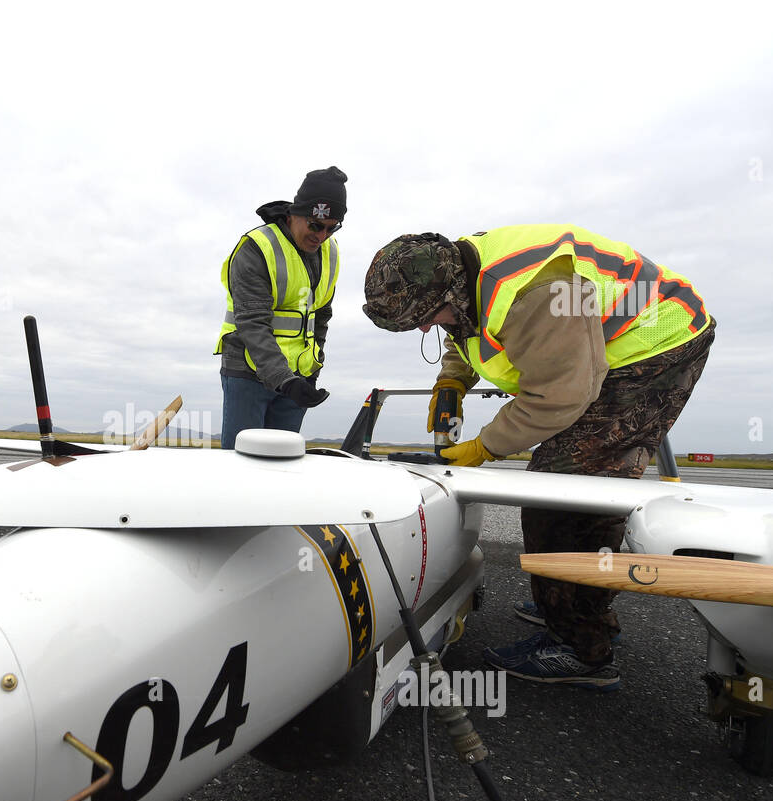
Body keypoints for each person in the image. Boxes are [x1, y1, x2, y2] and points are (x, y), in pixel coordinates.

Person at [362, 226, 715, 690]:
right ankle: (566, 601)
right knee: (567, 488)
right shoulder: (457, 269)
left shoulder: (537, 296)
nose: (426, 328)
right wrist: (452, 380)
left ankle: (581, 645)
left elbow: (560, 395)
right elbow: (465, 326)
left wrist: (485, 445)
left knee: (566, 495)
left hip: (655, 346)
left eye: (426, 317)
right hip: (591, 347)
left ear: (447, 289)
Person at [215, 166, 347, 450]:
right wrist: (284, 380)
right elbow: (252, 323)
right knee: (242, 461)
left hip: (296, 380)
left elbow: (321, 316)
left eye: (331, 227)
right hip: (248, 373)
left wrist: (313, 368)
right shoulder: (257, 248)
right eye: (315, 225)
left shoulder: (331, 252)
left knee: (282, 462)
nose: (322, 236)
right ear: (294, 214)